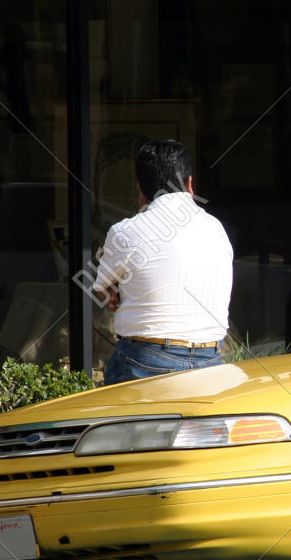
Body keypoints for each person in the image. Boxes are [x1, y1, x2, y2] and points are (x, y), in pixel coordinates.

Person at [92, 140, 233, 383]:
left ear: (140, 191)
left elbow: (104, 292)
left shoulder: (125, 231)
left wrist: (121, 291)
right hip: (210, 361)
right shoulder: (216, 229)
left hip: (145, 360)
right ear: (190, 184)